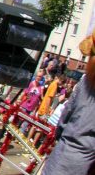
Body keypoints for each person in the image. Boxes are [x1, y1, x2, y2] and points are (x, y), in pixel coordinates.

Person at [41, 30, 95, 174]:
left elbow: (66, 115)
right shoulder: (85, 83)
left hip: (63, 155)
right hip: (81, 161)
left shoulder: (84, 83)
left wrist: (62, 135)